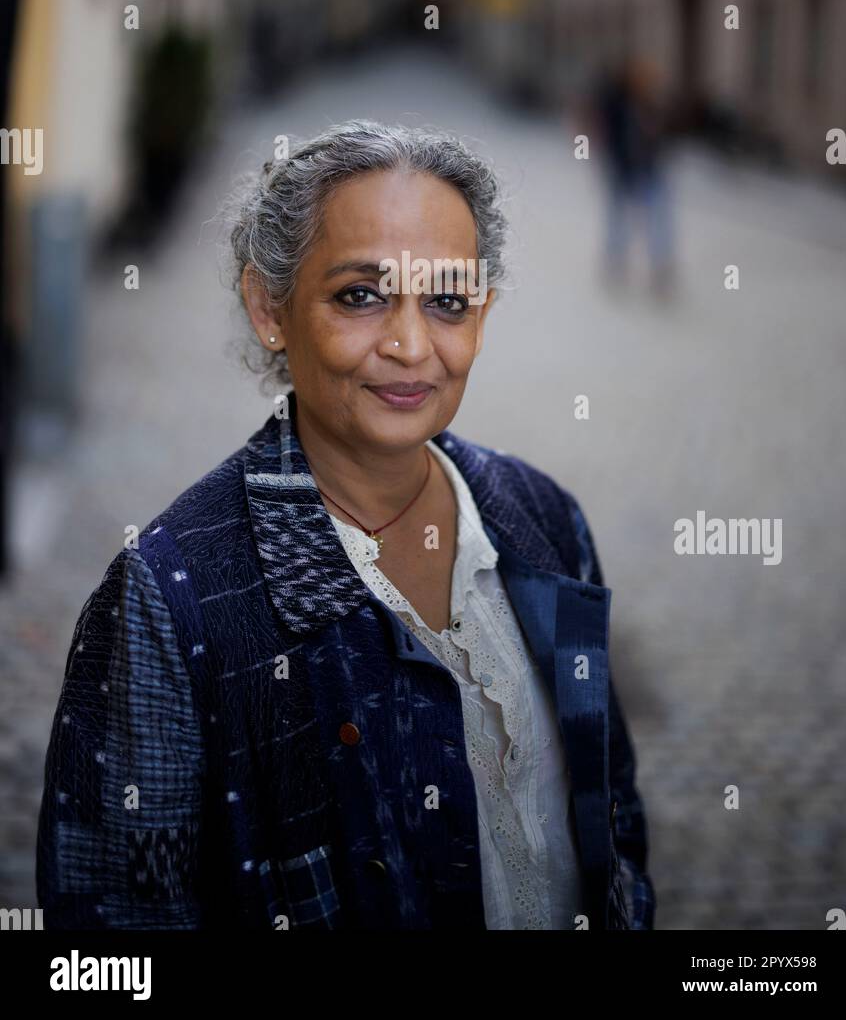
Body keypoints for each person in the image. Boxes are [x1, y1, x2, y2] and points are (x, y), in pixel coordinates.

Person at [36, 119, 655, 931]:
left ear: (483, 312)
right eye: (359, 296)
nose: (408, 344)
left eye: (445, 301)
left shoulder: (540, 519)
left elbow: (610, 818)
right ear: (270, 308)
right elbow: (117, 928)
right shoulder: (170, 598)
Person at [593, 57, 676, 295]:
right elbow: (609, 136)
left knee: (658, 220)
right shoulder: (616, 104)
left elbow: (663, 136)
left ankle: (661, 267)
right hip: (624, 172)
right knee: (619, 221)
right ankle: (616, 261)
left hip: (650, 171)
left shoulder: (652, 104)